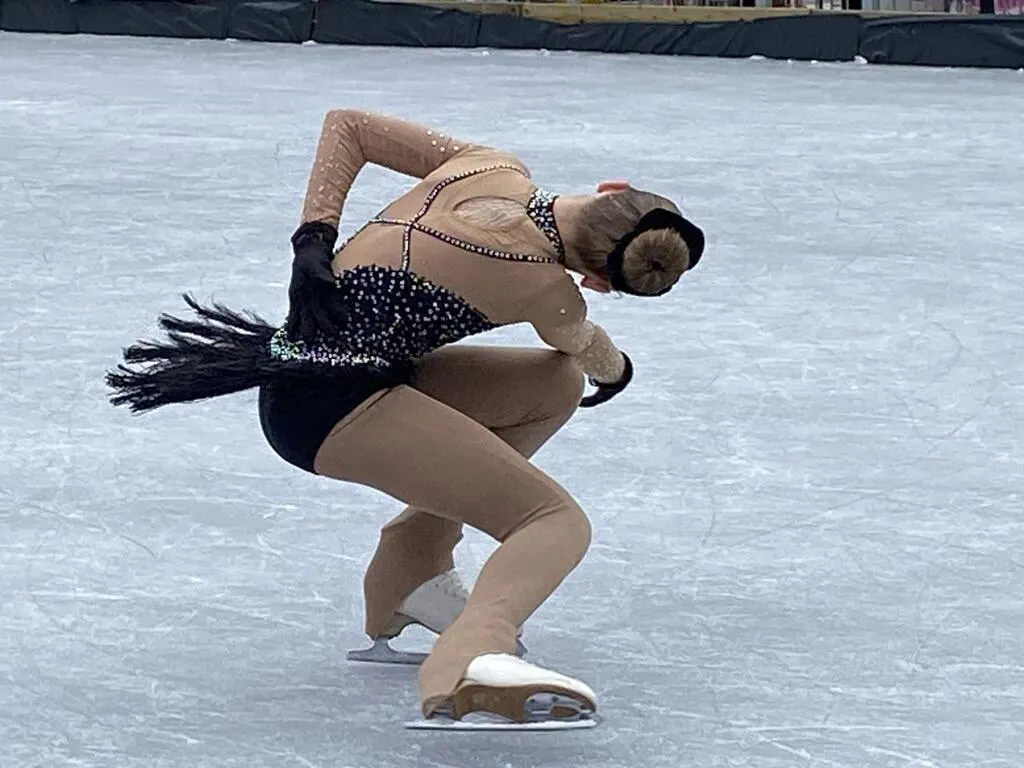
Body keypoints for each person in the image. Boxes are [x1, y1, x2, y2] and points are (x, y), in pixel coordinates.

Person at [106, 109, 705, 728]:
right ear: (600, 281)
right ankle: (471, 657)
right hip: (331, 409)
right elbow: (587, 347)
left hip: (326, 379)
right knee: (554, 521)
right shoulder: (551, 292)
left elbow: (349, 127)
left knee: (552, 384)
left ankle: (411, 571)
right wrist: (618, 372)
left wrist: (314, 239)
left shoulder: (489, 164)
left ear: (612, 187)